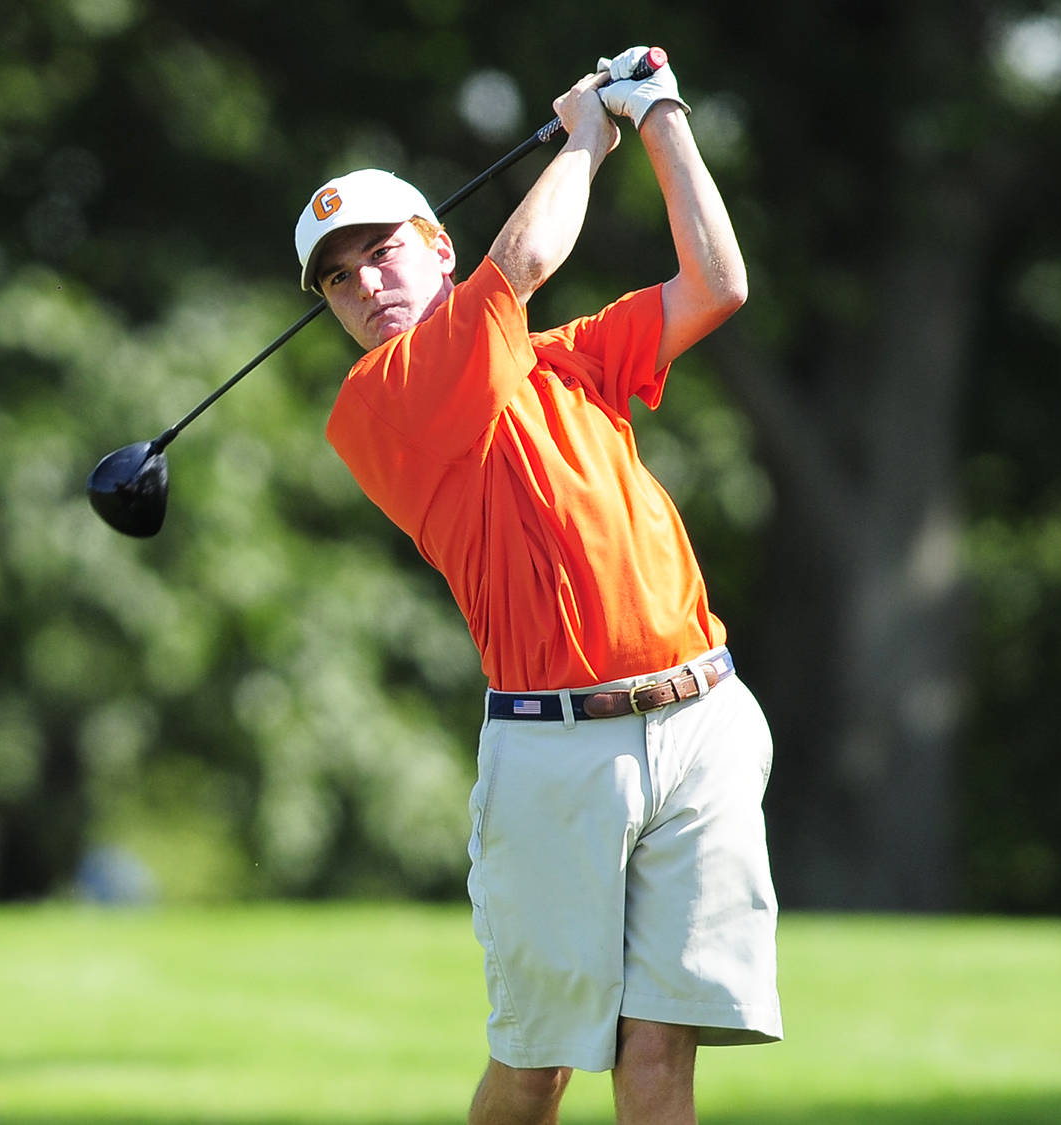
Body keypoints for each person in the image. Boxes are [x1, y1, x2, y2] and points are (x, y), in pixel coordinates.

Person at [294, 48, 780, 1125]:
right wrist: (582, 135)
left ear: (434, 247)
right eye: (337, 276)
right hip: (555, 750)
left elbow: (717, 284)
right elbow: (516, 265)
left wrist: (657, 115)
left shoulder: (567, 362)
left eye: (380, 254)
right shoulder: (381, 403)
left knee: (658, 1061)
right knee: (537, 1067)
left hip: (700, 715)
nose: (364, 286)